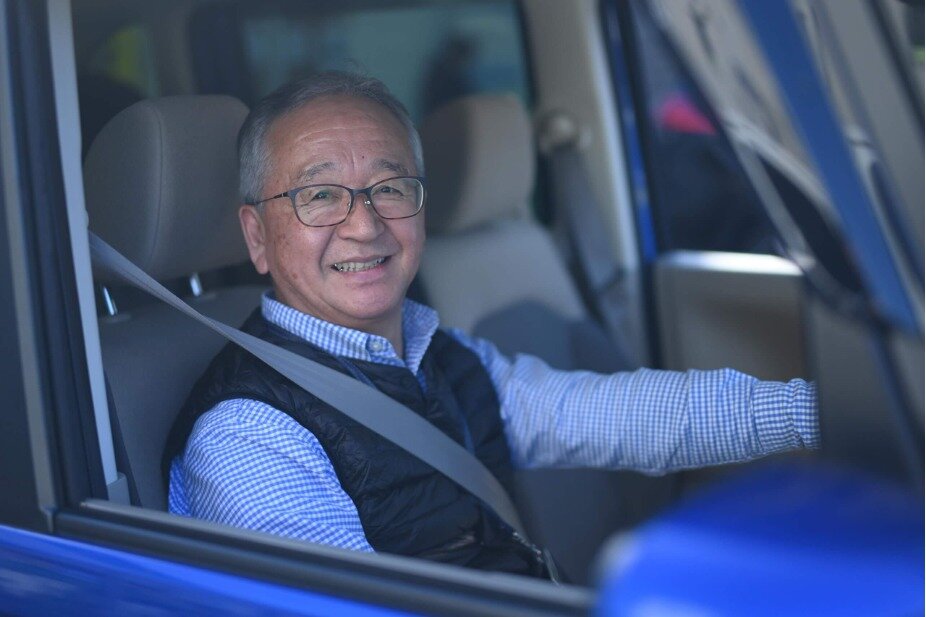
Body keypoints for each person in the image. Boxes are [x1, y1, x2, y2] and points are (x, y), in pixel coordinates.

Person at [165, 72, 819, 580]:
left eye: (390, 188)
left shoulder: (440, 357)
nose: (364, 225)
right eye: (320, 195)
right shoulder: (248, 436)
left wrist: (818, 413)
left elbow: (613, 413)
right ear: (257, 235)